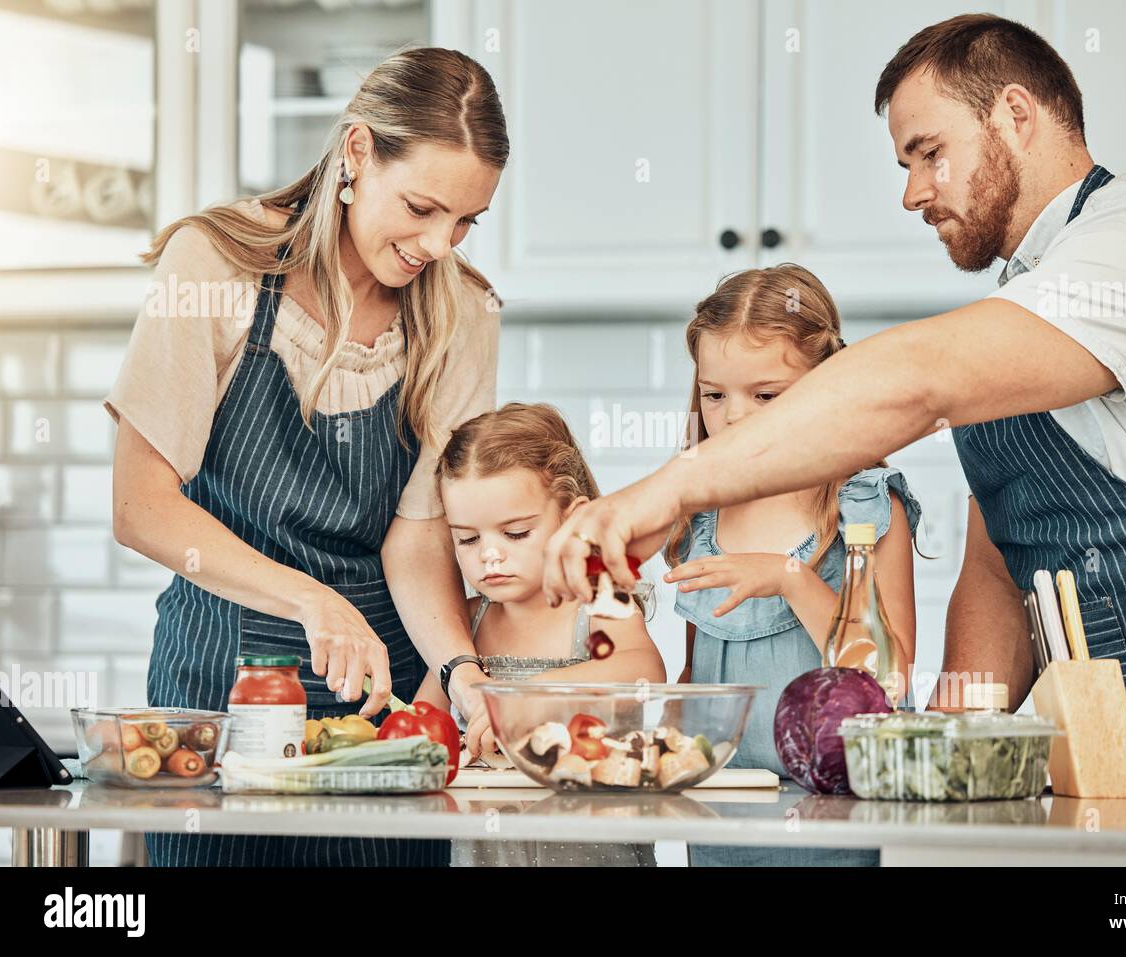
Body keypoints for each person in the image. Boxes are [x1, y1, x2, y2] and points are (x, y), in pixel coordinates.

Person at [542, 14, 1126, 792]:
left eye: (930, 154)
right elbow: (999, 566)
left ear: (1015, 115)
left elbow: (916, 378)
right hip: (1104, 771)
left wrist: (670, 486)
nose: (910, 194)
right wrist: (944, 759)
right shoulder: (1029, 303)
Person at [107, 47, 507, 865]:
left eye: (465, 222)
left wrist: (462, 669)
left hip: (386, 717)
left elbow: (420, 535)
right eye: (423, 207)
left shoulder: (463, 312)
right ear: (356, 153)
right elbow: (141, 505)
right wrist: (310, 600)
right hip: (222, 689)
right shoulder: (216, 263)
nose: (439, 243)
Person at [663, 265, 919, 866]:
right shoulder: (697, 513)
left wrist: (789, 578)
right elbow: (694, 675)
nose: (735, 417)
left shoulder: (867, 505)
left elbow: (891, 680)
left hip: (833, 822)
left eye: (767, 395)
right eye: (714, 394)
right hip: (716, 823)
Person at [433, 402, 664, 866]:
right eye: (468, 539)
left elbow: (645, 671)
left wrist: (529, 696)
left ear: (573, 520)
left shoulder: (598, 603)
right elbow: (426, 719)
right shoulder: (469, 623)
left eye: (515, 533)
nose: (490, 557)